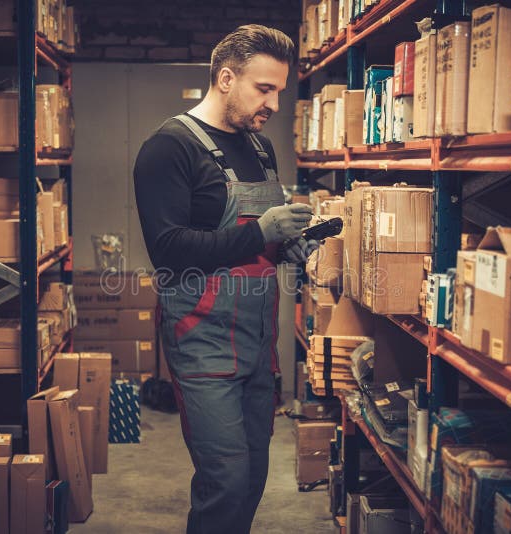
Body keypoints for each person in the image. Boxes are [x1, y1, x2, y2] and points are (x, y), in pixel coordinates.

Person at [133, 24, 319, 534]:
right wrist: (261, 233)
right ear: (225, 77)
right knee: (227, 478)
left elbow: (255, 244)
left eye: (279, 90)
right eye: (264, 89)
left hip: (259, 341)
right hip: (202, 339)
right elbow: (168, 250)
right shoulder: (168, 148)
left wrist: (288, 245)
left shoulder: (260, 149)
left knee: (256, 471)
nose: (274, 103)